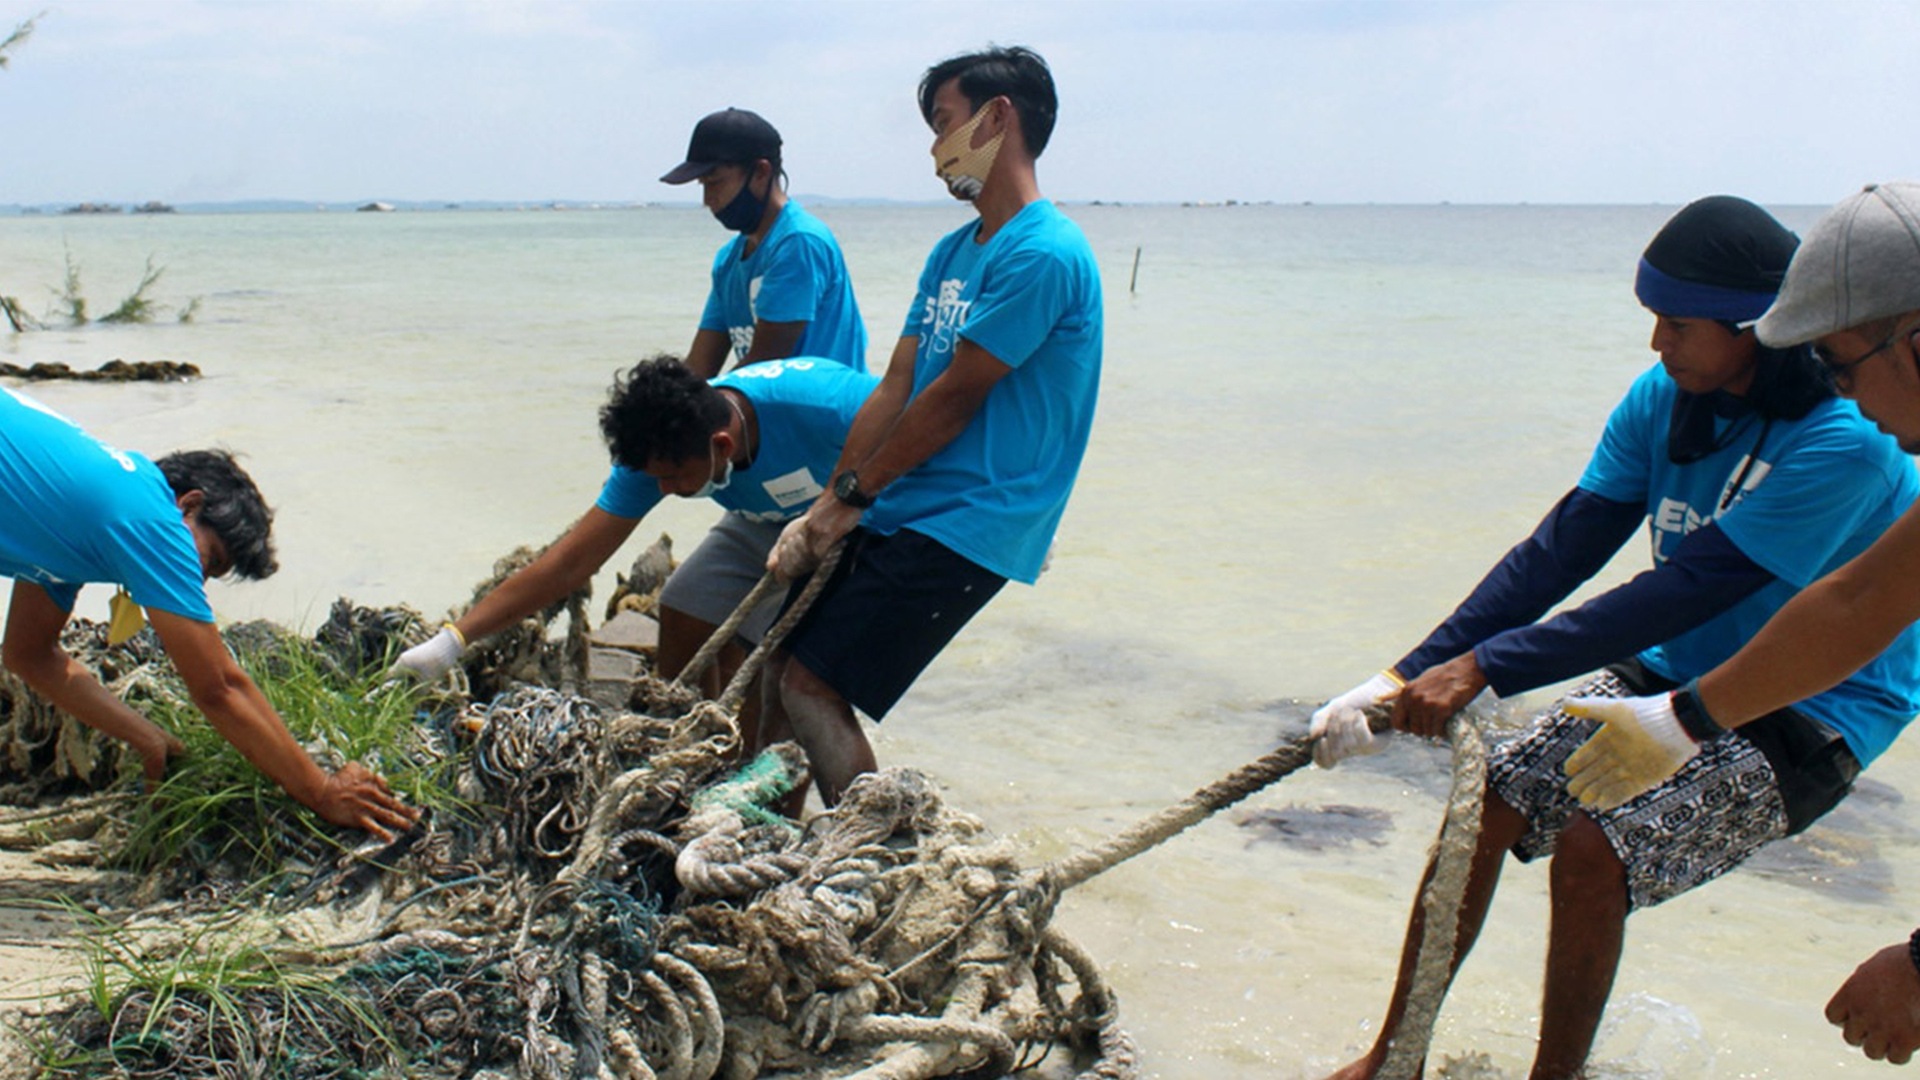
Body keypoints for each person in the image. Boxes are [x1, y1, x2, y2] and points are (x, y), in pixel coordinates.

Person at [1309, 195, 1920, 1080]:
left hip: (1814, 706)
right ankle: (1392, 1056)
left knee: (1596, 853)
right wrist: (1402, 675)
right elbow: (1564, 547)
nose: (1656, 346)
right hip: (1679, 671)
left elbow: (1687, 588)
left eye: (1675, 323)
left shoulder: (1850, 445)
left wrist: (1488, 667)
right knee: (1486, 809)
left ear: (1753, 330)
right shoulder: (1664, 398)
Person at [1556, 181, 1920, 1067]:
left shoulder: (1849, 445)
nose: (1841, 393)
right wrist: (1683, 719)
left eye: (1838, 362)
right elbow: (1852, 605)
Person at [761, 45, 1102, 806]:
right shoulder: (954, 251)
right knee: (775, 663)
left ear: (999, 117)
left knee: (815, 683)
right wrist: (830, 507)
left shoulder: (1045, 252)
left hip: (973, 517)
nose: (934, 147)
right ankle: (760, 838)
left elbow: (956, 397)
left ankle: (871, 858)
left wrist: (855, 493)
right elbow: (900, 384)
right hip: (893, 499)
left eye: (944, 123)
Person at [392, 355, 878, 759]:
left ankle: (772, 808)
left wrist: (844, 517)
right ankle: (697, 753)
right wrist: (453, 641)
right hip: (767, 518)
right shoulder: (660, 450)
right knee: (686, 600)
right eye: (655, 479)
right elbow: (569, 564)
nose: (662, 490)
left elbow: (922, 436)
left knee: (785, 674)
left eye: (671, 478)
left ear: (721, 446)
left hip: (870, 516)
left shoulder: (824, 404)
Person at [0, 387, 418, 838]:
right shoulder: (147, 515)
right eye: (209, 559)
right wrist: (321, 791)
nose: (195, 581)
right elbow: (218, 686)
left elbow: (29, 654)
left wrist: (147, 736)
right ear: (189, 504)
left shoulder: (81, 522)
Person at [660, 108, 868, 379]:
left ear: (760, 172)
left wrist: (697, 406)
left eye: (715, 182)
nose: (707, 199)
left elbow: (764, 365)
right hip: (771, 413)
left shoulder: (799, 242)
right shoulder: (729, 261)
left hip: (823, 416)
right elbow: (700, 367)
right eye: (703, 185)